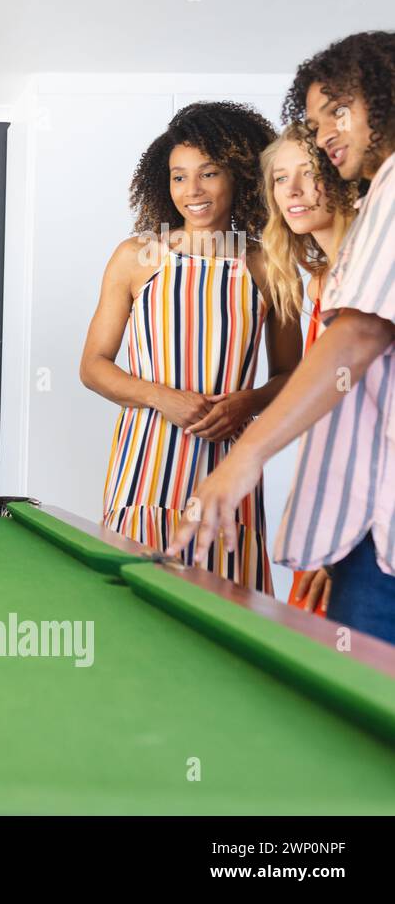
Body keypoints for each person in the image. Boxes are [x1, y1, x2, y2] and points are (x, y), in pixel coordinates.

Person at [170, 32, 395, 643]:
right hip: (357, 525)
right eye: (317, 121)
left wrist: (243, 457)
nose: (326, 135)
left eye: (338, 113)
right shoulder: (327, 267)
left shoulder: (390, 192)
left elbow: (354, 343)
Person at [80, 102, 297, 590]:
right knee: (134, 608)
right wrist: (162, 396)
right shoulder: (137, 256)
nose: (192, 191)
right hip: (145, 469)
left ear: (240, 175)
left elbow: (294, 376)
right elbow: (93, 366)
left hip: (230, 470)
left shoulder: (269, 265)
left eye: (208, 173)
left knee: (228, 609)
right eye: (179, 177)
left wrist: (250, 402)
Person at [260, 123, 356, 615]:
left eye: (308, 174)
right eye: (280, 178)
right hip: (323, 520)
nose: (291, 192)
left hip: (361, 531)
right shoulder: (317, 285)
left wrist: (342, 544)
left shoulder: (372, 277)